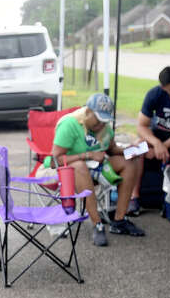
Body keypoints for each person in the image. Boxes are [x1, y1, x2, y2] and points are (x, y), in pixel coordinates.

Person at [49, 92, 146, 247]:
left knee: (130, 162)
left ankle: (119, 220)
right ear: (88, 112)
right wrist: (87, 155)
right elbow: (55, 161)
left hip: (96, 168)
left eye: (105, 120)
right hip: (68, 173)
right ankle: (97, 223)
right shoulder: (69, 124)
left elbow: (112, 150)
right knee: (80, 167)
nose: (101, 125)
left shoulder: (105, 128)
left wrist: (130, 149)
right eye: (99, 119)